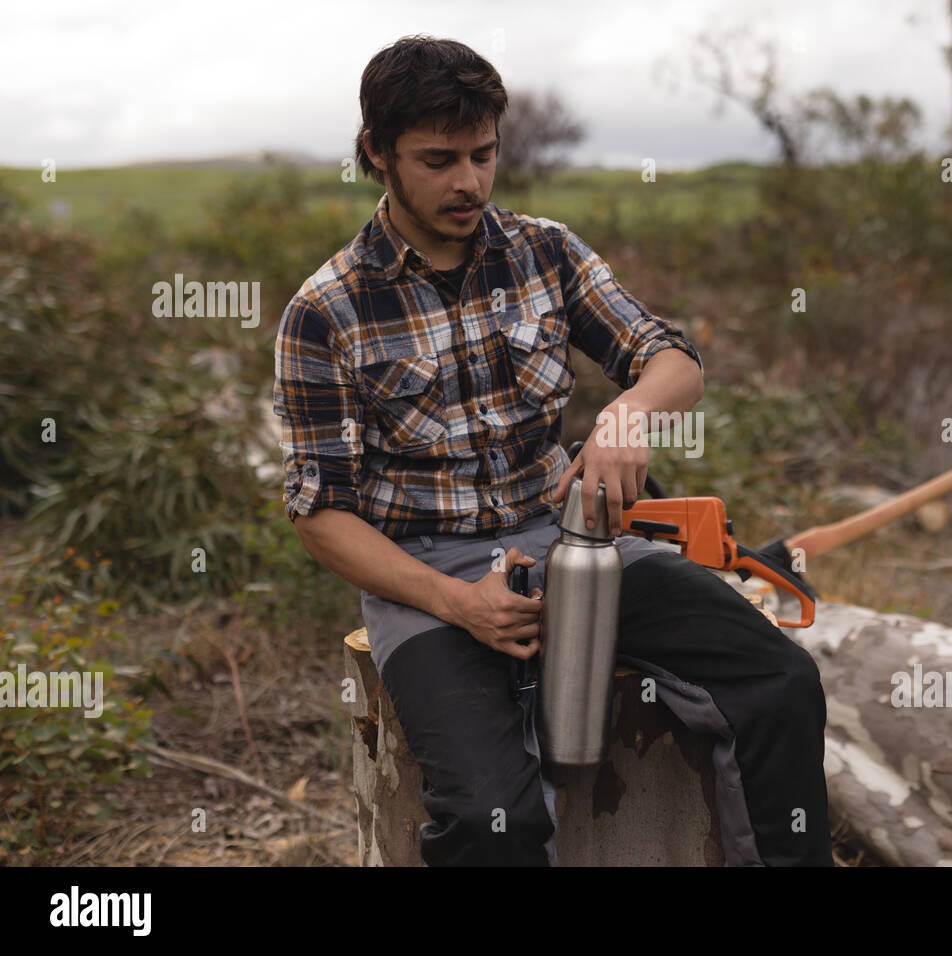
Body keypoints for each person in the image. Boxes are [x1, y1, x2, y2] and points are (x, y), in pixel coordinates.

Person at [273, 34, 832, 866]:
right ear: (376, 155)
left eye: (483, 154)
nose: (468, 181)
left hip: (572, 544)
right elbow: (322, 518)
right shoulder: (325, 312)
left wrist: (629, 415)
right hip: (426, 580)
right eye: (438, 160)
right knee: (490, 817)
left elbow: (673, 359)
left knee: (781, 681)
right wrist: (456, 603)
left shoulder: (545, 253)